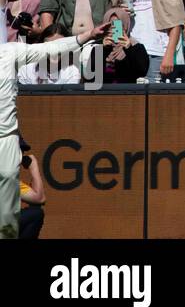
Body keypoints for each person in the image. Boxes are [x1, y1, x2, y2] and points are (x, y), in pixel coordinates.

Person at [1, 17, 109, 239]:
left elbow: (51, 47)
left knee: (7, 221)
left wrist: (85, 36)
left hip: (7, 139)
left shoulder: (10, 53)